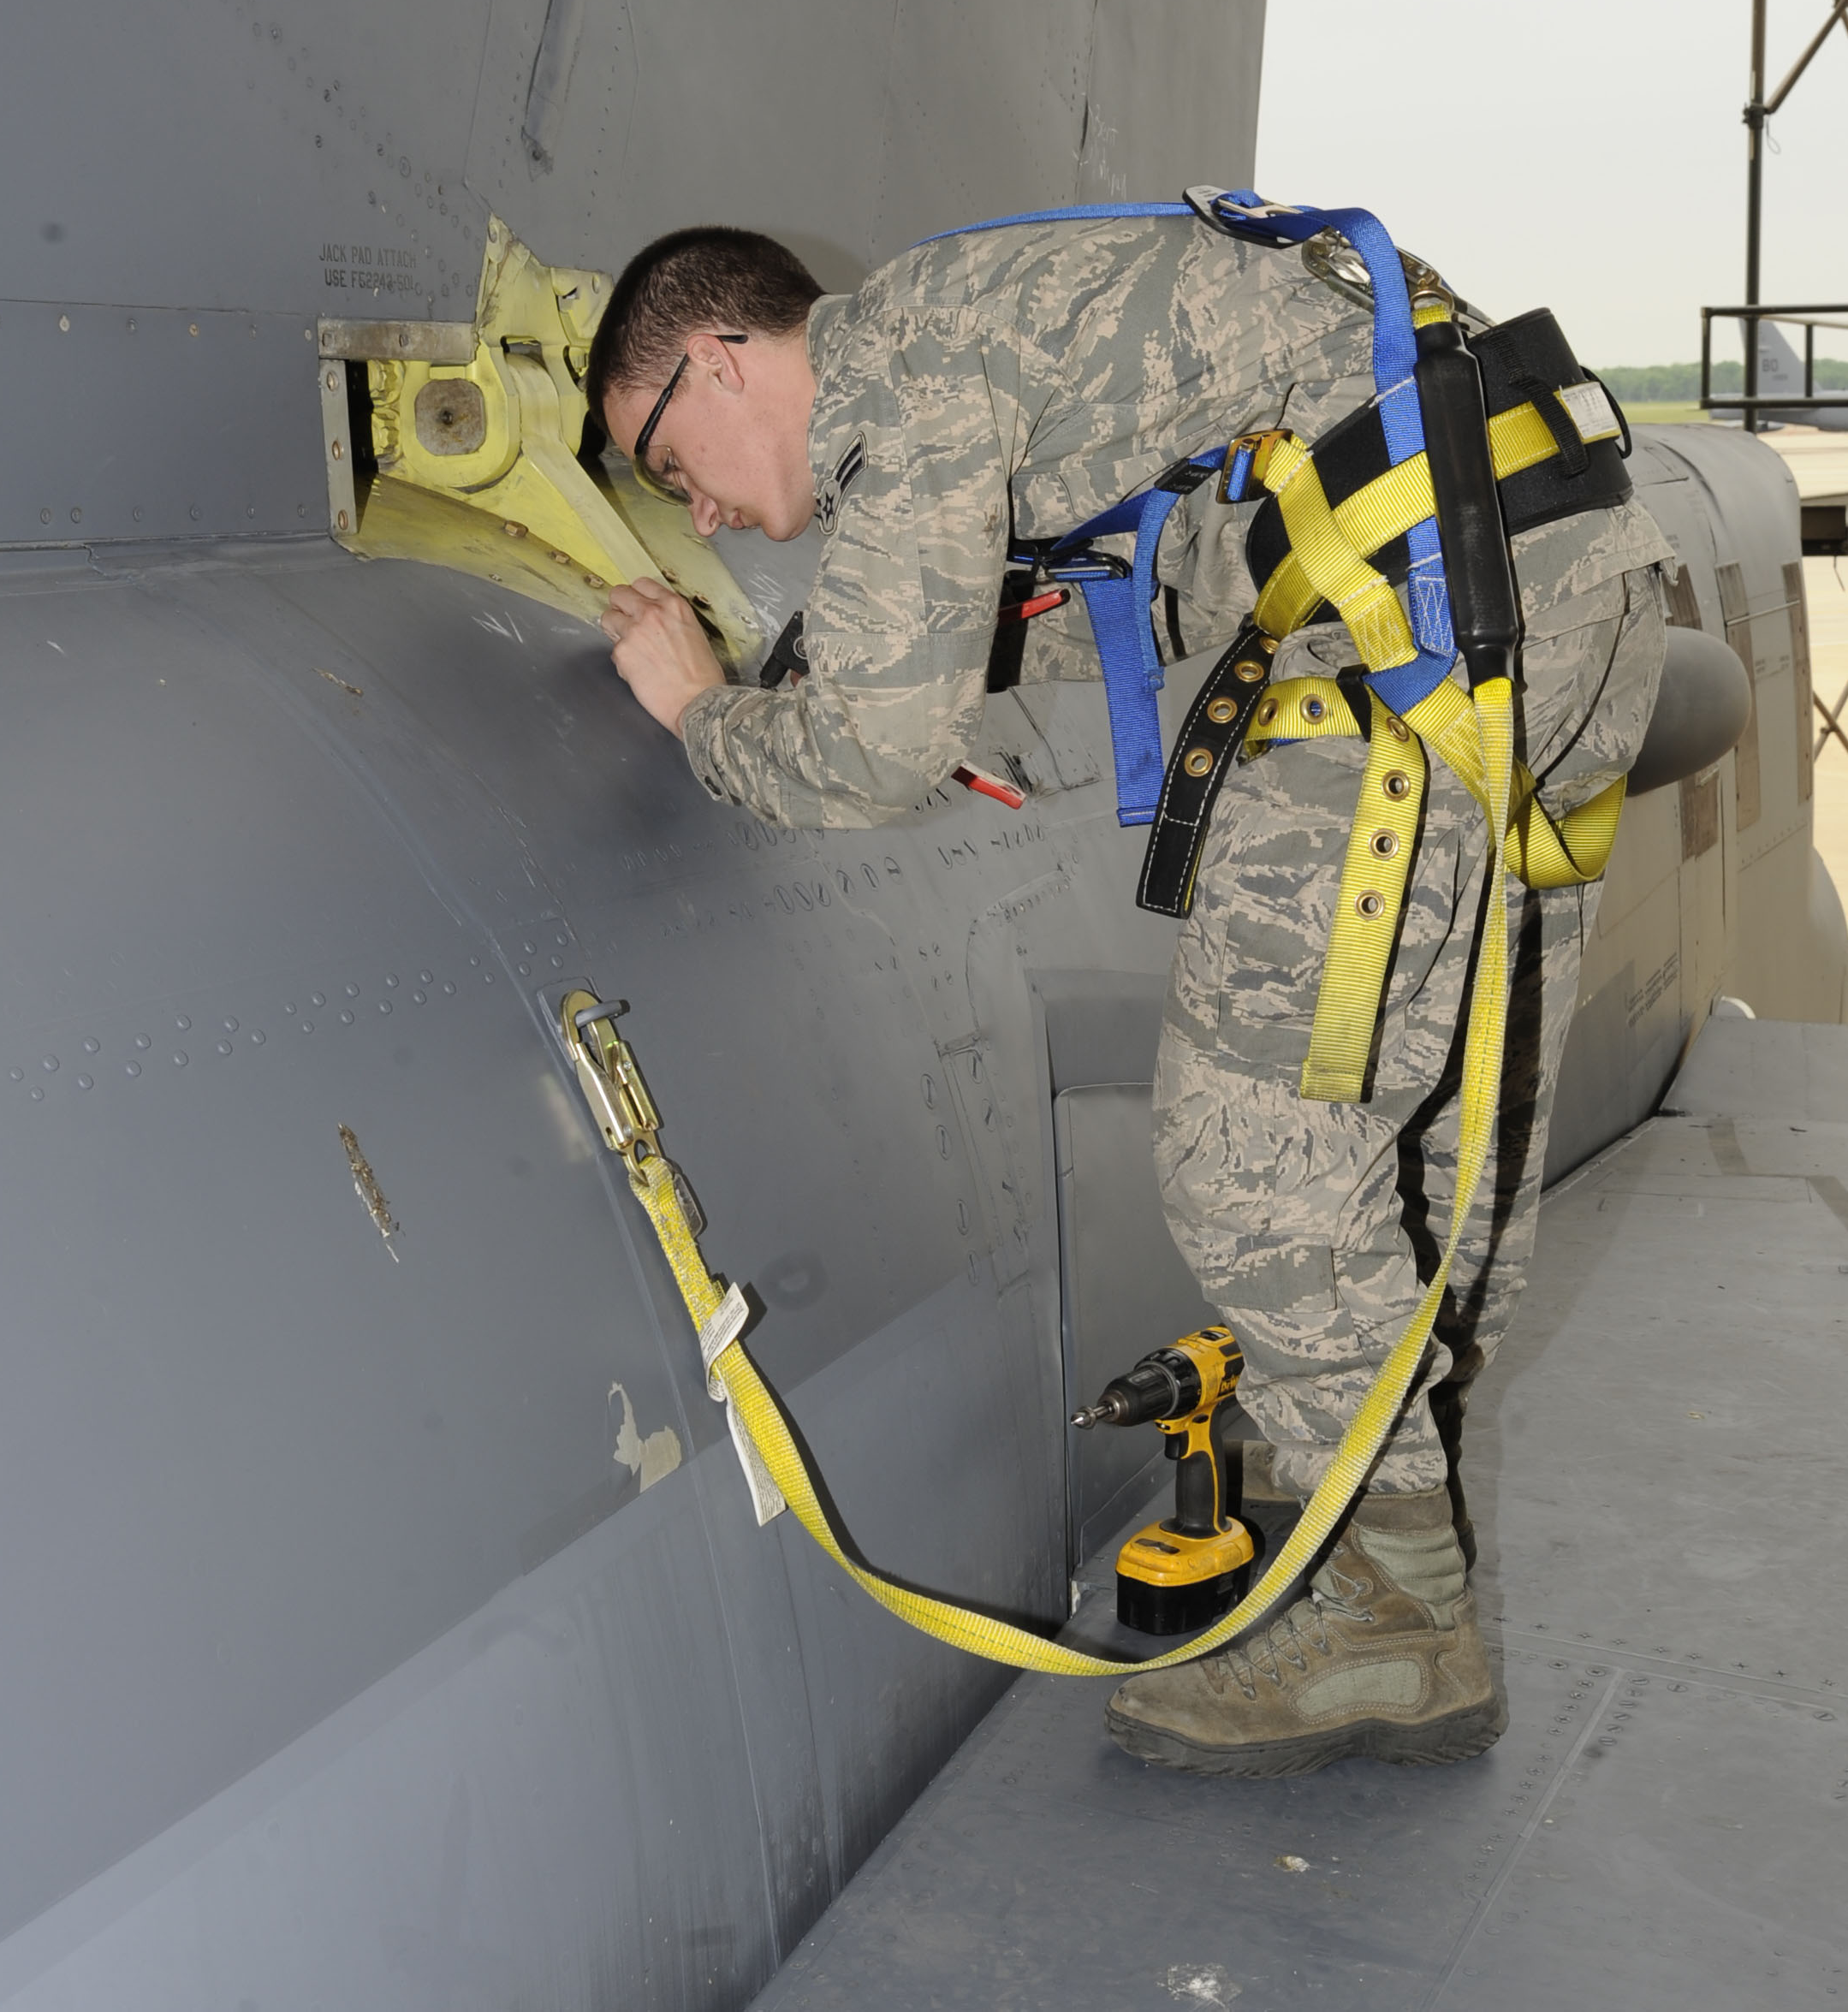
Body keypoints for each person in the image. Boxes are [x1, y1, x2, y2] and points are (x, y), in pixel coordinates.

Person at [590, 214, 1668, 1775]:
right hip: (1562, 579)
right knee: (1434, 1118)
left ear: (727, 356)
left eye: (669, 456)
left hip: (1420, 624)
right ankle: (1360, 1543)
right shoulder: (1006, 319)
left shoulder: (906, 362)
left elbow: (869, 758)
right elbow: (1187, 546)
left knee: (1250, 1150)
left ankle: (1394, 1618)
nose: (705, 512)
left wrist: (702, 712)